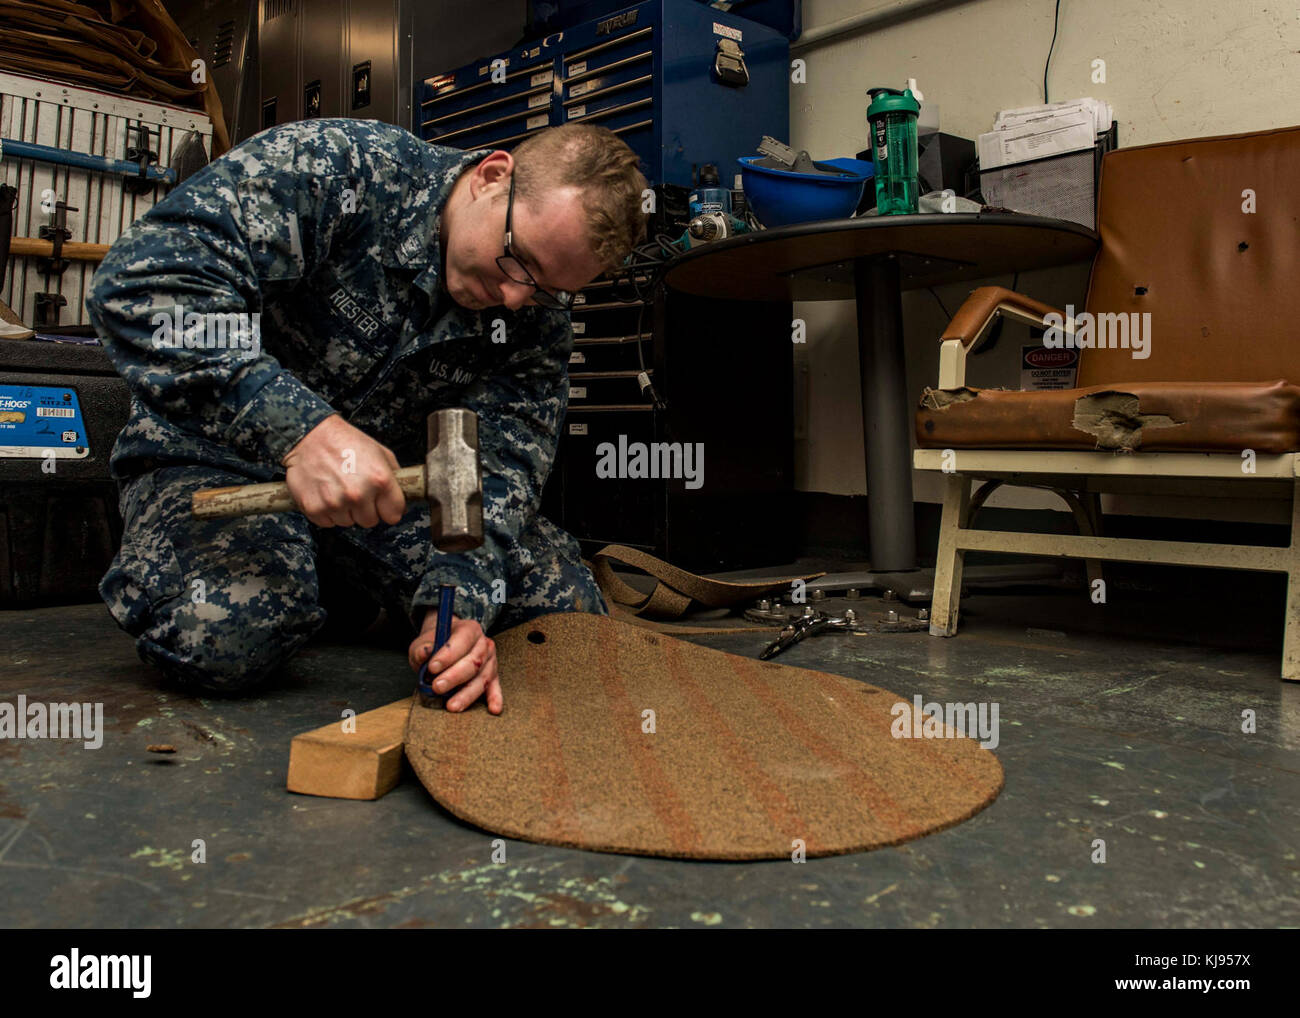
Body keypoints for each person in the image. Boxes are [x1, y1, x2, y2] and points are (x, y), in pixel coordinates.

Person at [86, 118, 649, 714]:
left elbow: (501, 468)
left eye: (545, 289)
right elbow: (143, 283)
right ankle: (302, 579)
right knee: (225, 635)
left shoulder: (534, 313)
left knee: (565, 615)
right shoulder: (342, 168)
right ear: (492, 177)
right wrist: (300, 430)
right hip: (218, 462)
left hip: (382, 494)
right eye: (518, 260)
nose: (515, 298)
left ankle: (338, 583)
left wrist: (456, 606)